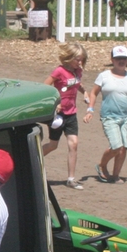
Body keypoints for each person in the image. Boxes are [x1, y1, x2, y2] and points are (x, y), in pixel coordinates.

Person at [84, 45, 127, 184]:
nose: (121, 61)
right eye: (118, 58)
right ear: (112, 59)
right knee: (116, 146)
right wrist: (90, 110)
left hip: (126, 117)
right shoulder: (104, 76)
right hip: (109, 117)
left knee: (123, 148)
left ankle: (115, 175)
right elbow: (94, 93)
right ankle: (102, 165)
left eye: (123, 58)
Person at [42, 43, 89, 189]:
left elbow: (77, 85)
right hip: (58, 115)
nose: (80, 63)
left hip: (71, 114)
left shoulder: (78, 71)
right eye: (77, 59)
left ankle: (71, 179)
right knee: (53, 145)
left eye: (82, 60)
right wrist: (55, 102)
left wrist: (85, 93)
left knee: (73, 144)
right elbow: (45, 86)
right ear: (68, 58)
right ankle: (32, 159)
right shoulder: (59, 71)